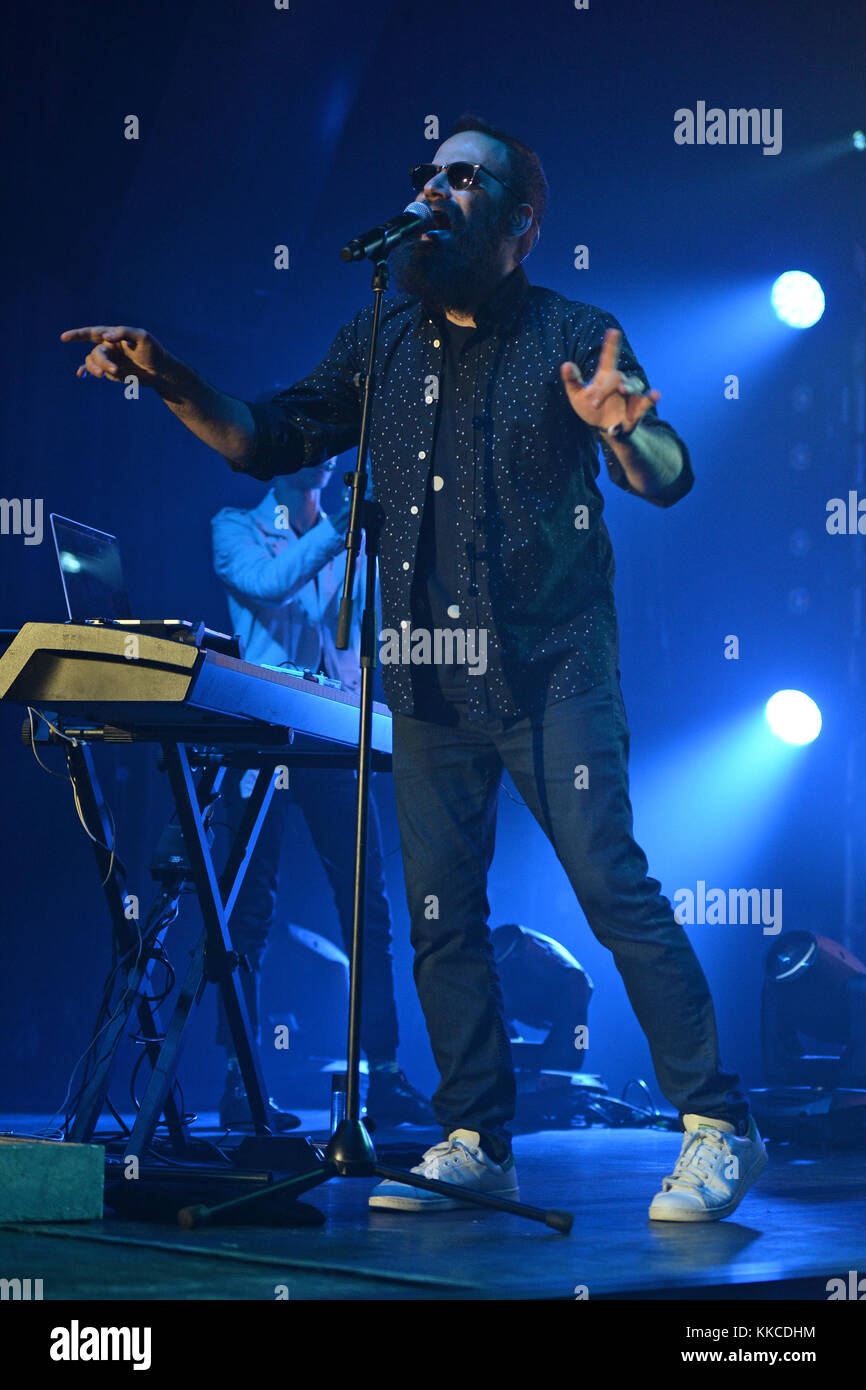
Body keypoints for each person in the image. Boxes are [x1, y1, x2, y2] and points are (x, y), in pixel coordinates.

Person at [61, 113, 767, 1223]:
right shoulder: (377, 337)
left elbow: (665, 471)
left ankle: (717, 1123)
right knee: (439, 915)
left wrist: (624, 431)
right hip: (427, 682)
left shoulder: (574, 330)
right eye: (425, 176)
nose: (433, 191)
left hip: (553, 672)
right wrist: (171, 377)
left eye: (462, 178)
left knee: (609, 888)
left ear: (519, 224)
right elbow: (264, 437)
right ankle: (474, 1137)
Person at [209, 459, 433, 1130]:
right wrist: (341, 530)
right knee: (248, 910)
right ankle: (239, 1085)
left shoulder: (355, 539)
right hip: (260, 729)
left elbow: (360, 641)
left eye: (318, 444)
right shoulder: (235, 528)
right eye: (292, 443)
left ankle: (385, 1078)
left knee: (367, 904)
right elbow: (269, 585)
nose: (309, 456)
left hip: (332, 733)